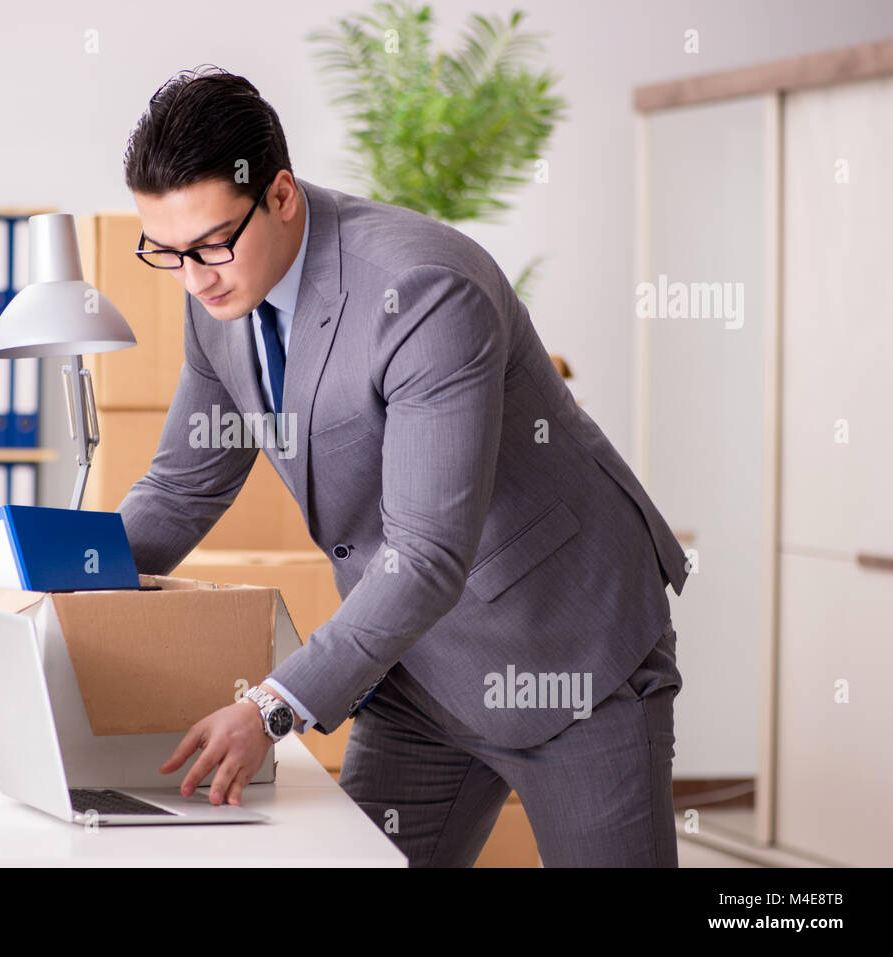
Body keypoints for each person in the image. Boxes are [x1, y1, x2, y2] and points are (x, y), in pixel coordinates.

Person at [115, 65, 688, 867]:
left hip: (567, 651)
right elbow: (180, 490)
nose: (193, 274)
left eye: (211, 244)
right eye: (166, 251)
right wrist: (53, 577)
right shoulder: (216, 290)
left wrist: (272, 706)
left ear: (280, 194)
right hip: (419, 663)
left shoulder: (422, 289)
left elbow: (425, 553)